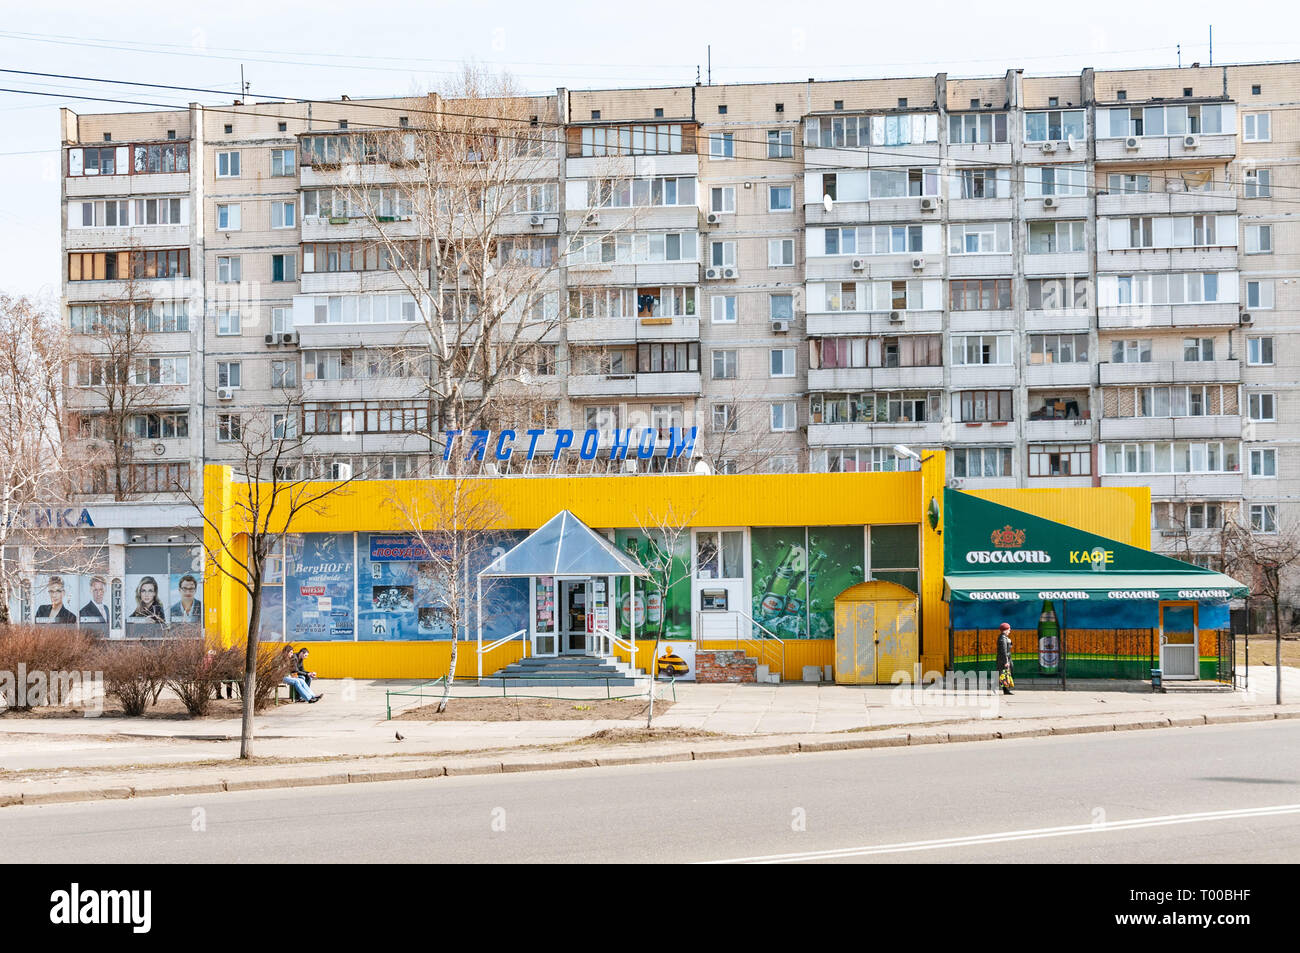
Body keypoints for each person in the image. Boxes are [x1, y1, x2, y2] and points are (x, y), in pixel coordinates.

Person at [997, 622, 1014, 696]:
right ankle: (1004, 689)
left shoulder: (1004, 637)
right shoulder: (1002, 638)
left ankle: (1006, 690)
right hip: (1004, 659)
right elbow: (1003, 651)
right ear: (1005, 630)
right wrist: (1006, 661)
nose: (1010, 631)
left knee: (1005, 674)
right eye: (1009, 629)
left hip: (1006, 658)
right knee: (1003, 675)